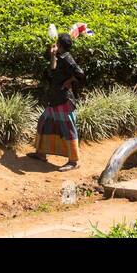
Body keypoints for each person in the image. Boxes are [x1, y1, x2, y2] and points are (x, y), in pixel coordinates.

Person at [30, 32, 84, 170]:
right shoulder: (59, 56)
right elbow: (52, 66)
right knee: (44, 122)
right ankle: (41, 153)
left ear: (60, 45)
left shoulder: (68, 58)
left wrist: (69, 81)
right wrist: (52, 52)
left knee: (68, 128)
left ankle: (73, 161)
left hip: (64, 100)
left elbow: (80, 74)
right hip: (54, 98)